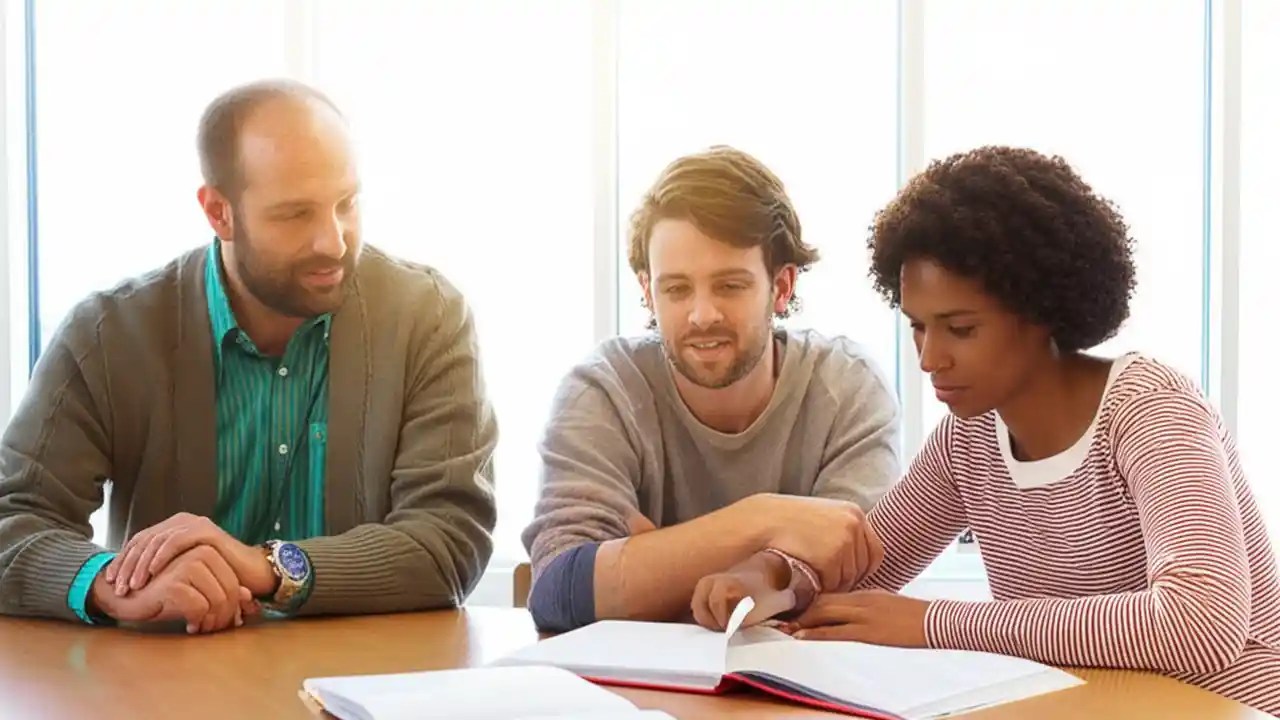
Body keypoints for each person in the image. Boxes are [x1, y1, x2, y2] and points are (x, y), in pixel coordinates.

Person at [692, 146, 1280, 714]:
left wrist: (932, 623)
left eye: (961, 329)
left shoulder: (1151, 413)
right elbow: (860, 568)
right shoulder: (968, 440)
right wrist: (775, 576)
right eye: (919, 327)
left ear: (1041, 309)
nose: (929, 359)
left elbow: (1202, 622)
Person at [0, 79, 498, 633]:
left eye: (346, 204)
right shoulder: (109, 333)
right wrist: (112, 581)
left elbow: (449, 541)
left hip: (367, 690)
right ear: (218, 212)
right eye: (295, 215)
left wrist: (268, 567)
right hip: (167, 690)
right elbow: (11, 518)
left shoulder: (427, 315)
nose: (333, 241)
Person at [522, 145, 901, 632]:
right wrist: (765, 521)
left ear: (781, 287)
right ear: (647, 291)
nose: (702, 315)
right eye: (676, 289)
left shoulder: (847, 388)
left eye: (730, 285)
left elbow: (852, 580)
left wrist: (653, 563)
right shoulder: (602, 391)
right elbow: (558, 590)